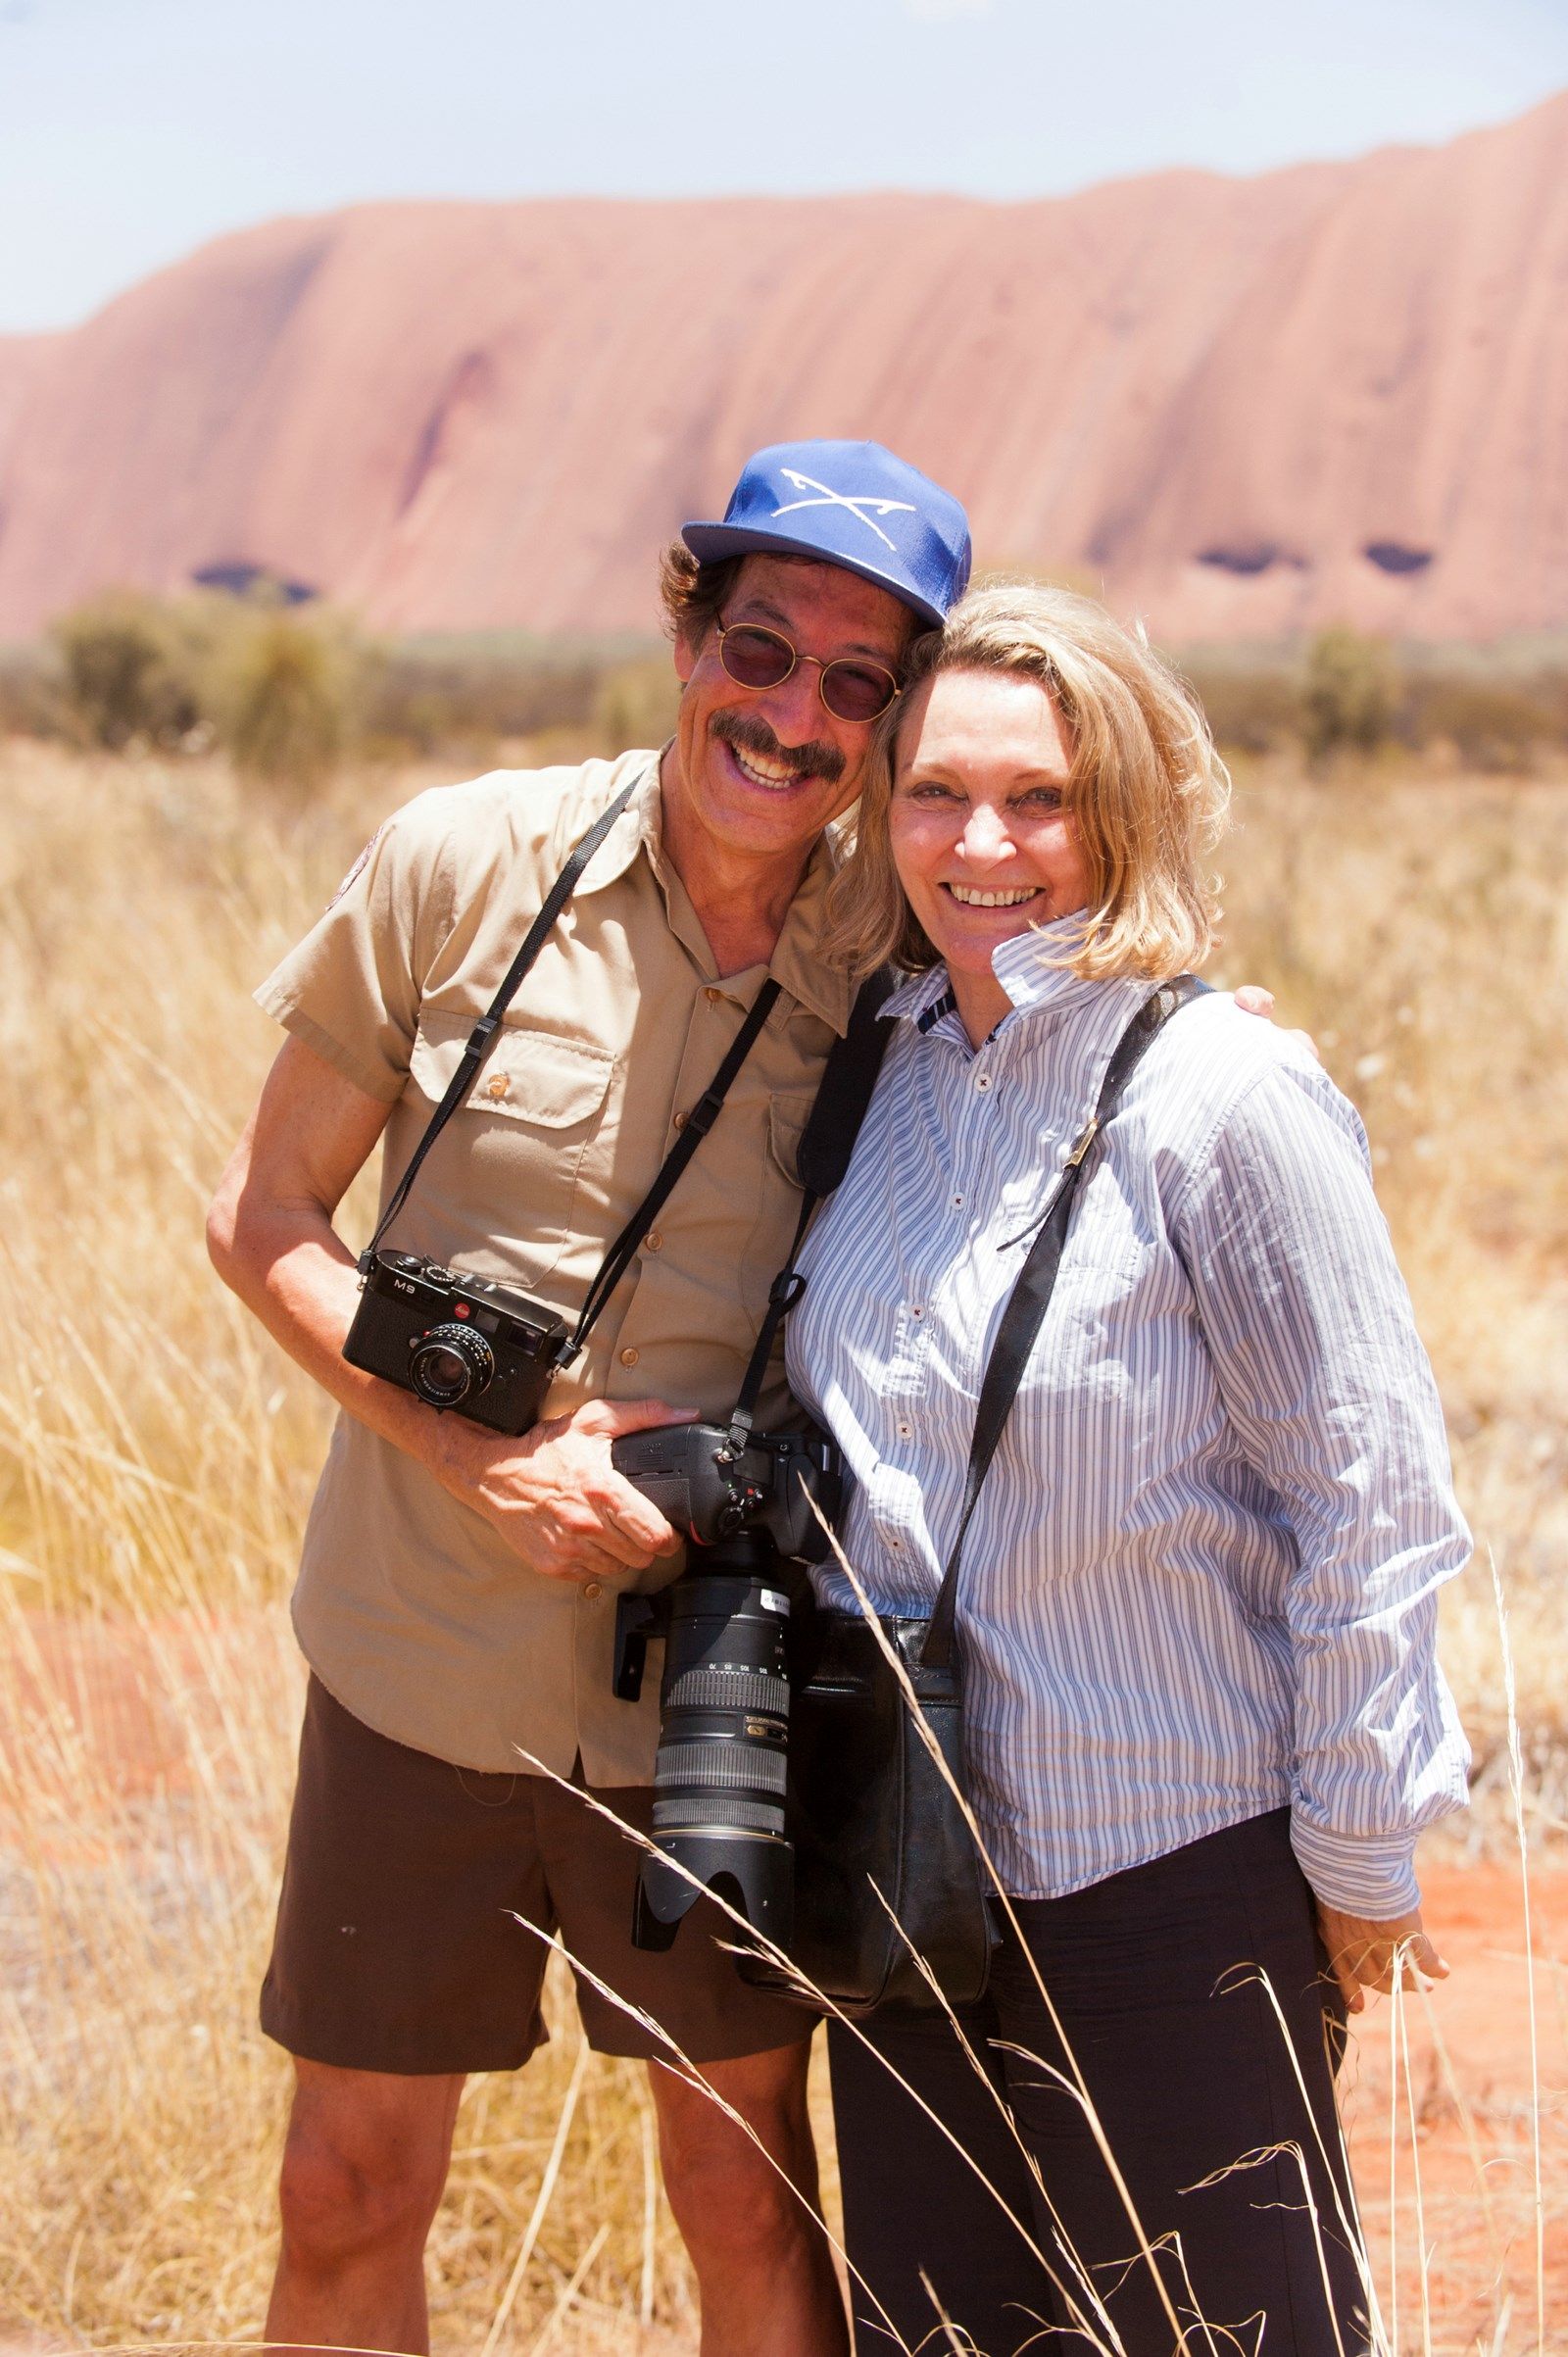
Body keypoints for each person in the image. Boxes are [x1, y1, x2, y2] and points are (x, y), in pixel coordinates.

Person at [205, 438, 975, 2357]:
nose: (791, 715)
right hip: (414, 1657)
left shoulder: (890, 964)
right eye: (761, 647)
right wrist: (476, 1463)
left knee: (741, 2191)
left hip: (701, 1685)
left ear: (887, 731)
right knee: (341, 2192)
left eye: (853, 687)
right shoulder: (463, 863)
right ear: (685, 634)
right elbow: (267, 1223)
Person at [785, 581, 1472, 2357]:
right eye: (935, 791)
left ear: (1129, 806)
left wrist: (1361, 1856)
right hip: (910, 1859)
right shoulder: (882, 1075)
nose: (982, 840)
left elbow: (1372, 1497)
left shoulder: (1224, 1097)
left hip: (1172, 1872)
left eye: (1042, 794)